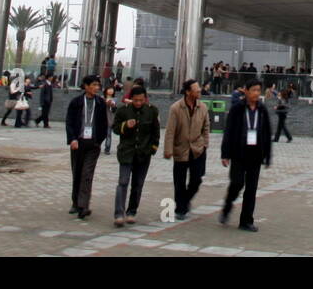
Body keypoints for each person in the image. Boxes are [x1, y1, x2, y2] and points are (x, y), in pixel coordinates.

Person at [220, 78, 272, 232]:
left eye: (258, 90)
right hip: (238, 153)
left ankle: (246, 220)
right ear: (246, 91)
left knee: (251, 189)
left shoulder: (262, 110)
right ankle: (227, 206)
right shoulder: (237, 109)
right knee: (237, 183)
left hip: (255, 154)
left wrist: (268, 155)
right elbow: (228, 131)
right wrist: (225, 154)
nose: (256, 93)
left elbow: (267, 133)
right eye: (254, 90)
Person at [111, 85, 160, 226]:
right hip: (126, 153)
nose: (138, 103)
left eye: (141, 100)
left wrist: (152, 148)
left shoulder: (152, 111)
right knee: (123, 182)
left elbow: (155, 132)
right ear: (131, 99)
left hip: (143, 154)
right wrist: (126, 125)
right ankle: (119, 214)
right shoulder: (123, 111)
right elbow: (115, 129)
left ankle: (132, 211)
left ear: (145, 99)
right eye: (136, 100)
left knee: (138, 184)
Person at [164, 78, 210, 221]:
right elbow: (170, 130)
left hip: (197, 149)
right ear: (188, 92)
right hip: (181, 148)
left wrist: (205, 144)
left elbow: (206, 127)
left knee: (197, 179)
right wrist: (168, 149)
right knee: (179, 181)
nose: (199, 91)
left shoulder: (202, 107)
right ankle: (180, 209)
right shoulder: (176, 108)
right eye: (196, 90)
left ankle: (185, 200)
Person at [65, 75, 107, 219]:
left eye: (98, 85)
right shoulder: (76, 102)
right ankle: (75, 202)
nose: (97, 88)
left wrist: (99, 141)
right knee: (77, 172)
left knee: (87, 174)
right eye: (94, 85)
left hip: (93, 144)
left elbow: (104, 123)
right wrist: (72, 139)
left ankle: (84, 205)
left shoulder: (100, 103)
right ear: (86, 86)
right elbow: (69, 122)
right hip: (78, 143)